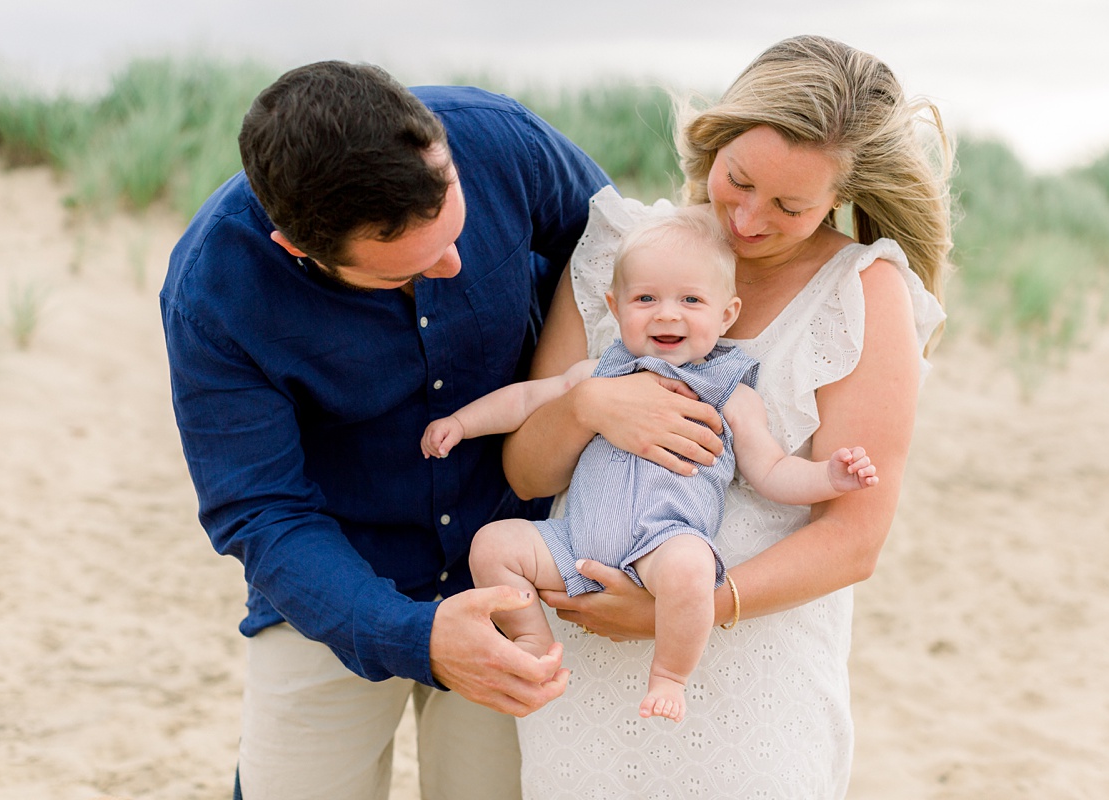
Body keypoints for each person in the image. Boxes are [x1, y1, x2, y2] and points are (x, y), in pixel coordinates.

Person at [502, 35, 952, 798]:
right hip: (586, 677)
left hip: (754, 687)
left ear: (840, 195)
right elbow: (526, 471)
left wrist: (679, 613)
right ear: (713, 137)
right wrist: (589, 404)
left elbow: (853, 539)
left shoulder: (862, 292)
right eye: (736, 180)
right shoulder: (622, 248)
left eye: (790, 206)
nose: (745, 219)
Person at [159, 61, 609, 800]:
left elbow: (623, 248)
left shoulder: (502, 140)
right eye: (407, 271)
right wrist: (415, 636)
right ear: (297, 249)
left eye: (457, 231)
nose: (455, 263)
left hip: (523, 563)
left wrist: (570, 398)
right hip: (333, 585)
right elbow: (262, 510)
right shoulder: (213, 289)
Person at [421, 209, 878, 723]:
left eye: (691, 300)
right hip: (576, 540)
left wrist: (827, 478)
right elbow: (528, 400)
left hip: (661, 543)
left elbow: (771, 471)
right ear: (615, 308)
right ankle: (530, 637)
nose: (666, 314)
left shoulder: (729, 391)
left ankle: (669, 675)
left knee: (691, 569)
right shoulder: (599, 373)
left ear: (727, 315)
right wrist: (461, 422)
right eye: (645, 299)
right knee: (493, 545)